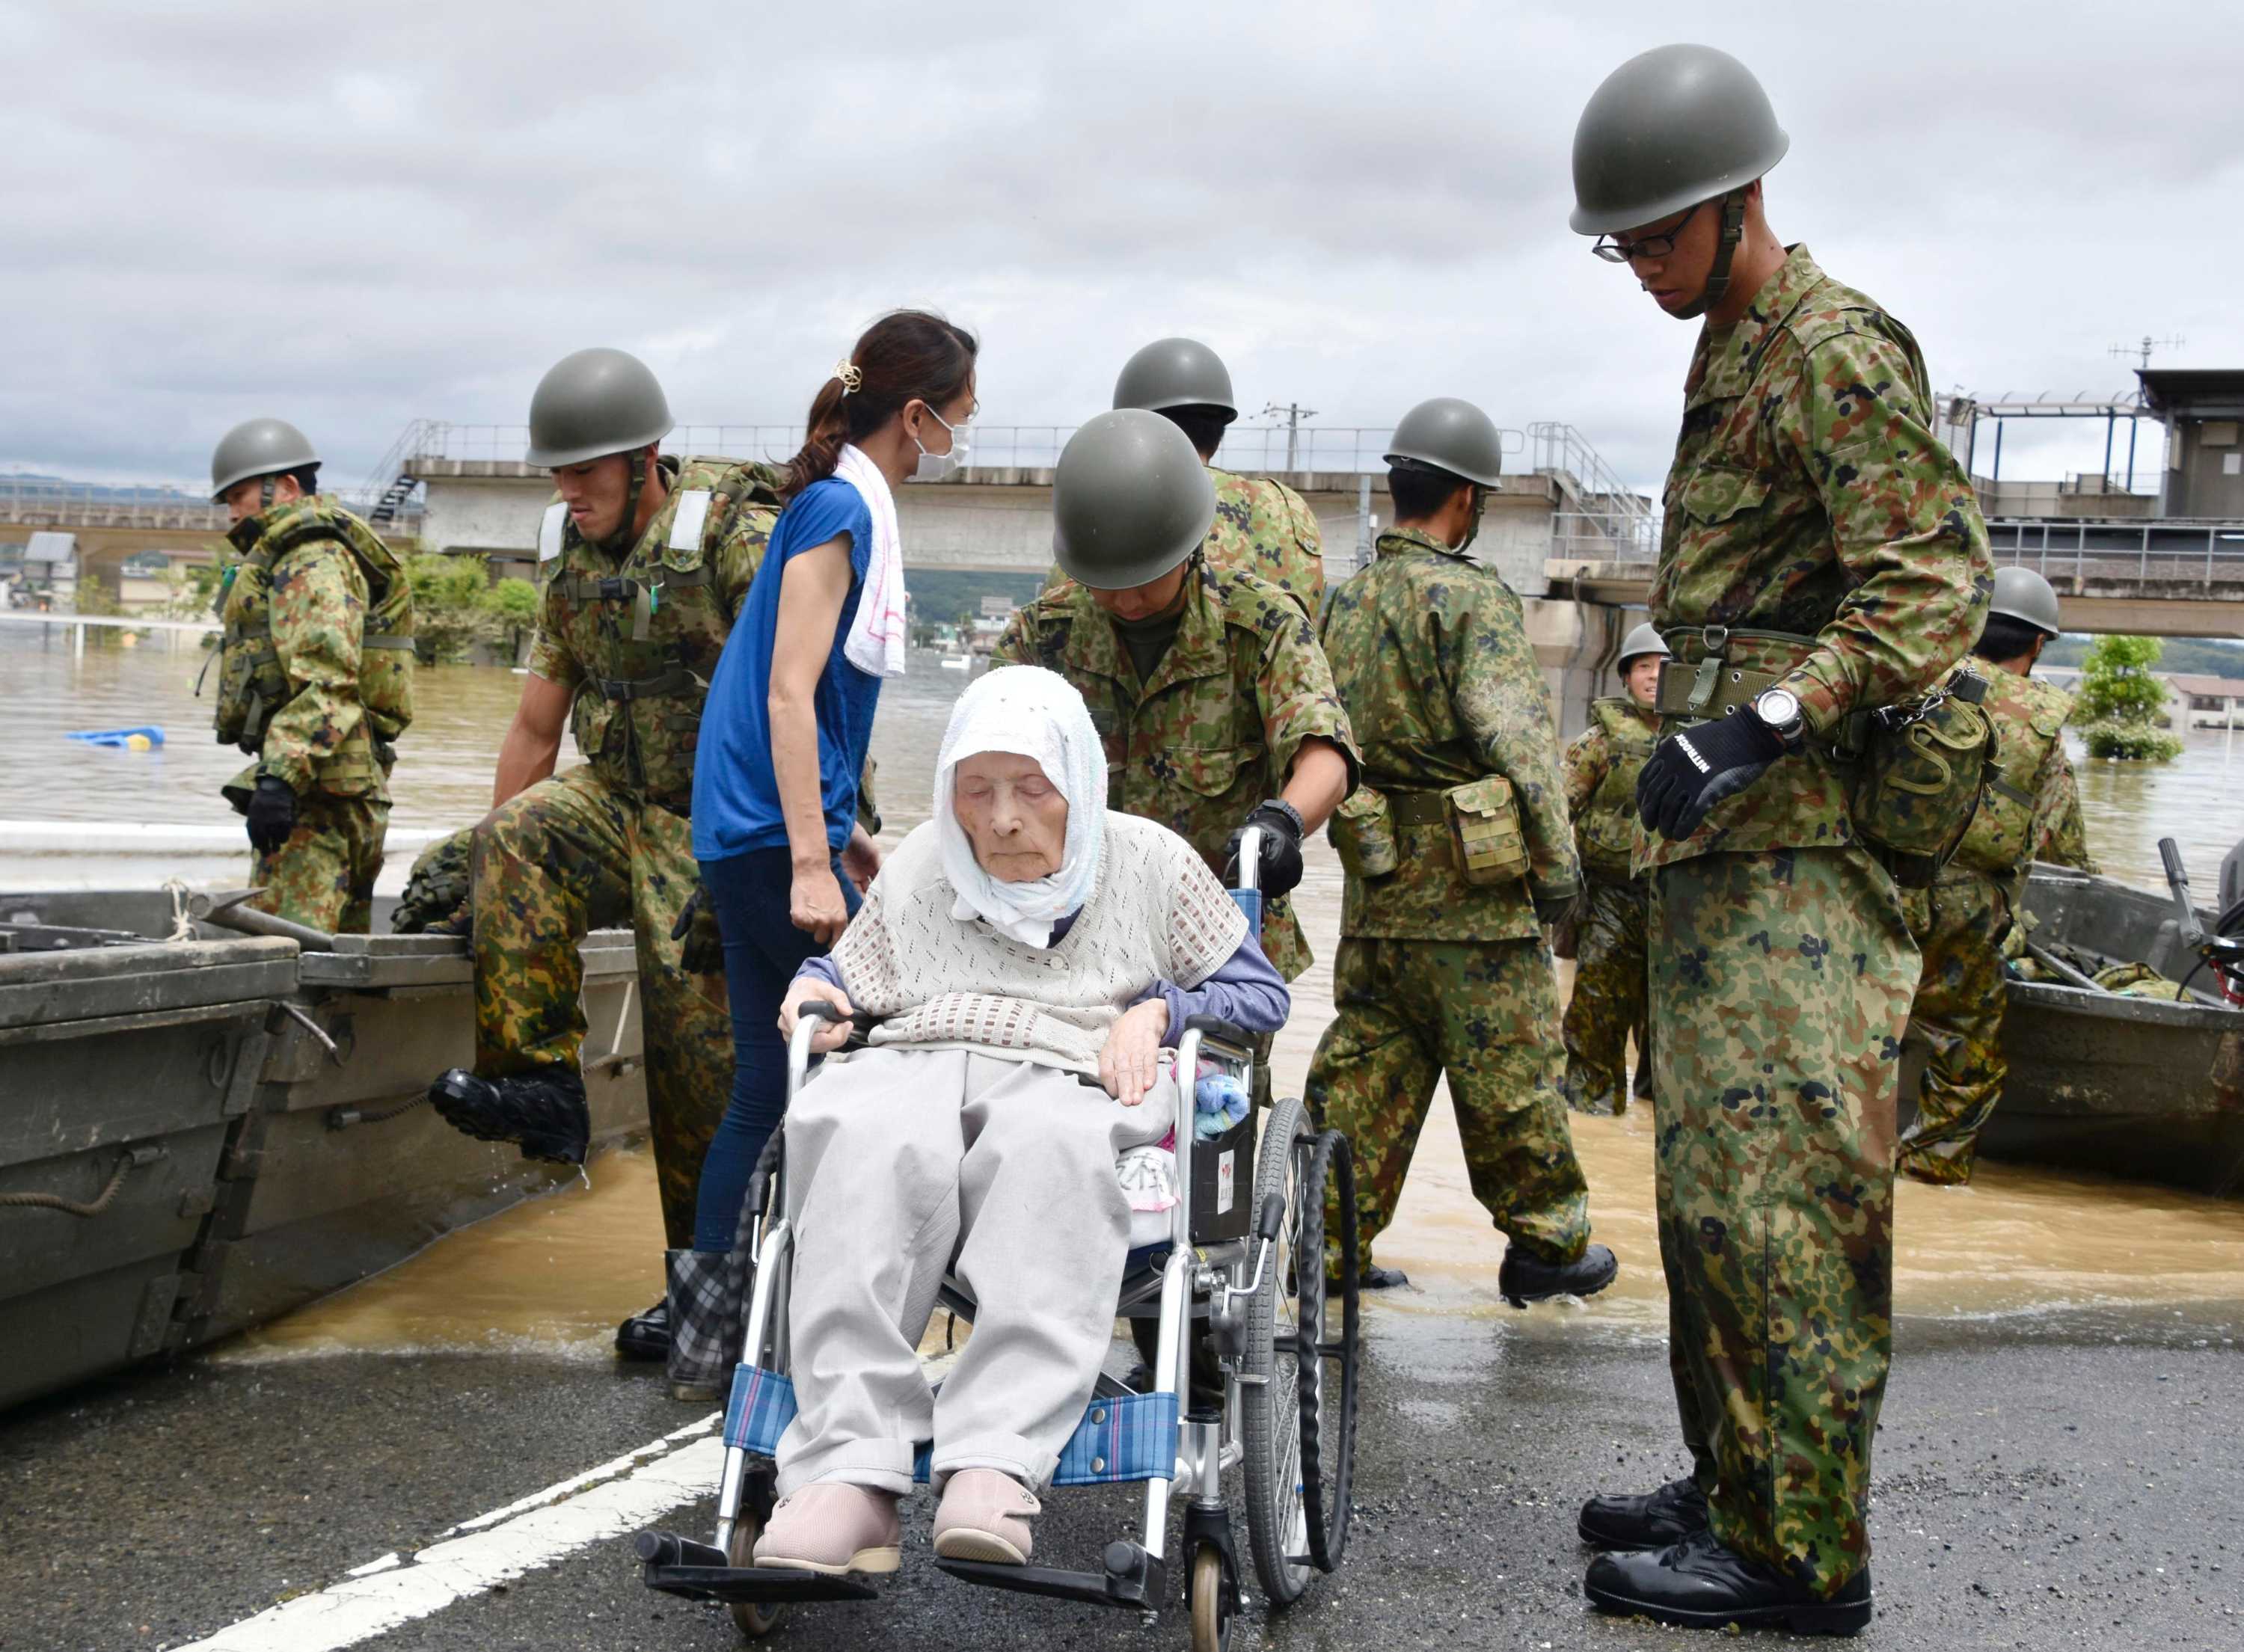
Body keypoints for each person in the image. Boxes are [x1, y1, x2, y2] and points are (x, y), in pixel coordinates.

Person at [1566, 46, 1993, 1634]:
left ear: (1739, 201)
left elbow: (1935, 581)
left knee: (1788, 1204)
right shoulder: (1731, 344)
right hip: (1723, 866)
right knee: (1706, 1192)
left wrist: (1773, 718)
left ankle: (1803, 1554)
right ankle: (1735, 1476)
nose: (1639, 270)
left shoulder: (1831, 349)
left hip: (1804, 866)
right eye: (1622, 246)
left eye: (1655, 241)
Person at [749, 666, 1288, 1575]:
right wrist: (817, 990)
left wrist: (1156, 1010)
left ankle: (996, 1458)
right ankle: (847, 1472)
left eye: (1032, 789)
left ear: (1079, 779)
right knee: (851, 1133)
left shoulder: (1150, 861)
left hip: (1070, 1063)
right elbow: (852, 972)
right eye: (977, 790)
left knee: (1052, 1147)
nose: (1002, 818)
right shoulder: (924, 861)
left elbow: (1258, 991)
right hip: (913, 1055)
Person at [425, 346, 783, 1363]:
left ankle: (714, 1288)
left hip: (720, 812)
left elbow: (804, 674)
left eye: (587, 473)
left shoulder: (729, 537)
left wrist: (800, 843)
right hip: (618, 797)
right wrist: (491, 884)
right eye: (558, 475)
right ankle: (541, 1083)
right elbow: (537, 731)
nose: (569, 492)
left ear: (645, 460)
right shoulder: (573, 565)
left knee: (697, 1053)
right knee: (517, 836)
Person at [673, 310, 979, 1398]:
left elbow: (786, 695)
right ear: (915, 415)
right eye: (959, 420)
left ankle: (710, 1338)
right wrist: (812, 858)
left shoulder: (833, 499)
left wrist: (845, 831)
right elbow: (788, 689)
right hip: (765, 836)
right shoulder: (845, 506)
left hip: (759, 824)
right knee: (881, 1046)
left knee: (767, 1080)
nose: (959, 442)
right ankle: (834, 1328)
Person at [1303, 397, 1617, 1304]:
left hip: (1379, 898)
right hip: (1475, 908)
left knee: (1365, 1074)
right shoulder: (1472, 598)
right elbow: (1520, 745)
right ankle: (1548, 1248)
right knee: (1512, 1078)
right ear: (1468, 501)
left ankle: (1324, 1247)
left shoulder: (1348, 603)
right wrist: (1559, 876)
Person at [993, 408, 1355, 1004]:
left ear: (1187, 549)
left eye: (1147, 577)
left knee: (1208, 1094)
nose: (1128, 598)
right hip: (1069, 942)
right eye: (1109, 581)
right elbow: (984, 765)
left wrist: (1281, 823)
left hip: (1217, 946)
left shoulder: (1260, 626)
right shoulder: (1042, 638)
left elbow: (1325, 756)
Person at [1897, 567, 2093, 1185]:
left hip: (1878, 881)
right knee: (1966, 1053)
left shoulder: (1915, 680)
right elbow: (2061, 842)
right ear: (2037, 645)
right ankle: (1930, 1171)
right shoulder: (2043, 720)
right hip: (1968, 904)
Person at [207, 417, 414, 934]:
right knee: (334, 965)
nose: (233, 513)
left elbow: (328, 680)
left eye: (240, 495)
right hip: (338, 784)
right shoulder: (305, 553)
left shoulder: (311, 557)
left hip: (318, 797)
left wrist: (279, 779)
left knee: (288, 958)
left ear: (289, 488)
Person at [1043, 337, 1326, 620]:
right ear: (1218, 433)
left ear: (1129, 429)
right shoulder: (1290, 511)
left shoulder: (1109, 507)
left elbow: (1064, 613)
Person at [1557, 621, 1668, 1116]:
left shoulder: (1706, 740)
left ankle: (1656, 1111)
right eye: (1643, 667)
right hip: (1612, 899)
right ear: (1626, 678)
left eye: (1663, 667)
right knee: (1596, 1017)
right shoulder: (1599, 742)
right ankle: (1591, 1109)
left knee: (1673, 1029)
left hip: (1680, 902)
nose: (1653, 676)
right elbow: (1559, 811)